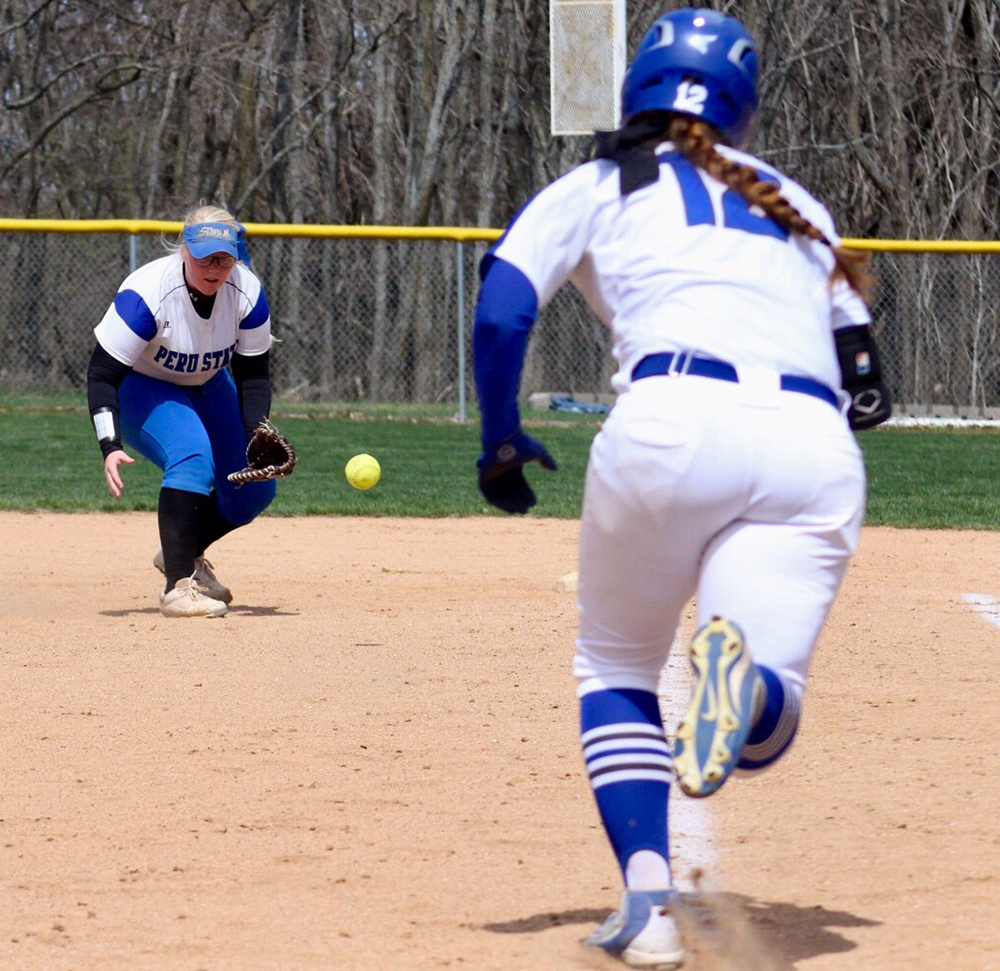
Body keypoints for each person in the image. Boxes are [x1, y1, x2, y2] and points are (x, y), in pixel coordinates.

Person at [473, 9, 890, 968]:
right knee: (763, 725)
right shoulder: (793, 200)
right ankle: (747, 702)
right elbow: (860, 363)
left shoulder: (598, 181)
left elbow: (502, 311)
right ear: (742, 108)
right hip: (811, 446)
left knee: (617, 665)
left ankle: (648, 907)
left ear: (638, 92)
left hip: (671, 421)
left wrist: (500, 439)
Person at [86, 204, 279, 618]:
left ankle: (182, 551)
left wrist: (255, 433)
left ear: (236, 257)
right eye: (203, 255)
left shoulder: (246, 292)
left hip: (209, 386)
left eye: (224, 258)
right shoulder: (148, 294)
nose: (214, 266)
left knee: (255, 489)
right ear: (184, 250)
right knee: (192, 458)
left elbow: (254, 378)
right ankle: (177, 588)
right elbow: (101, 374)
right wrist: (109, 443)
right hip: (142, 388)